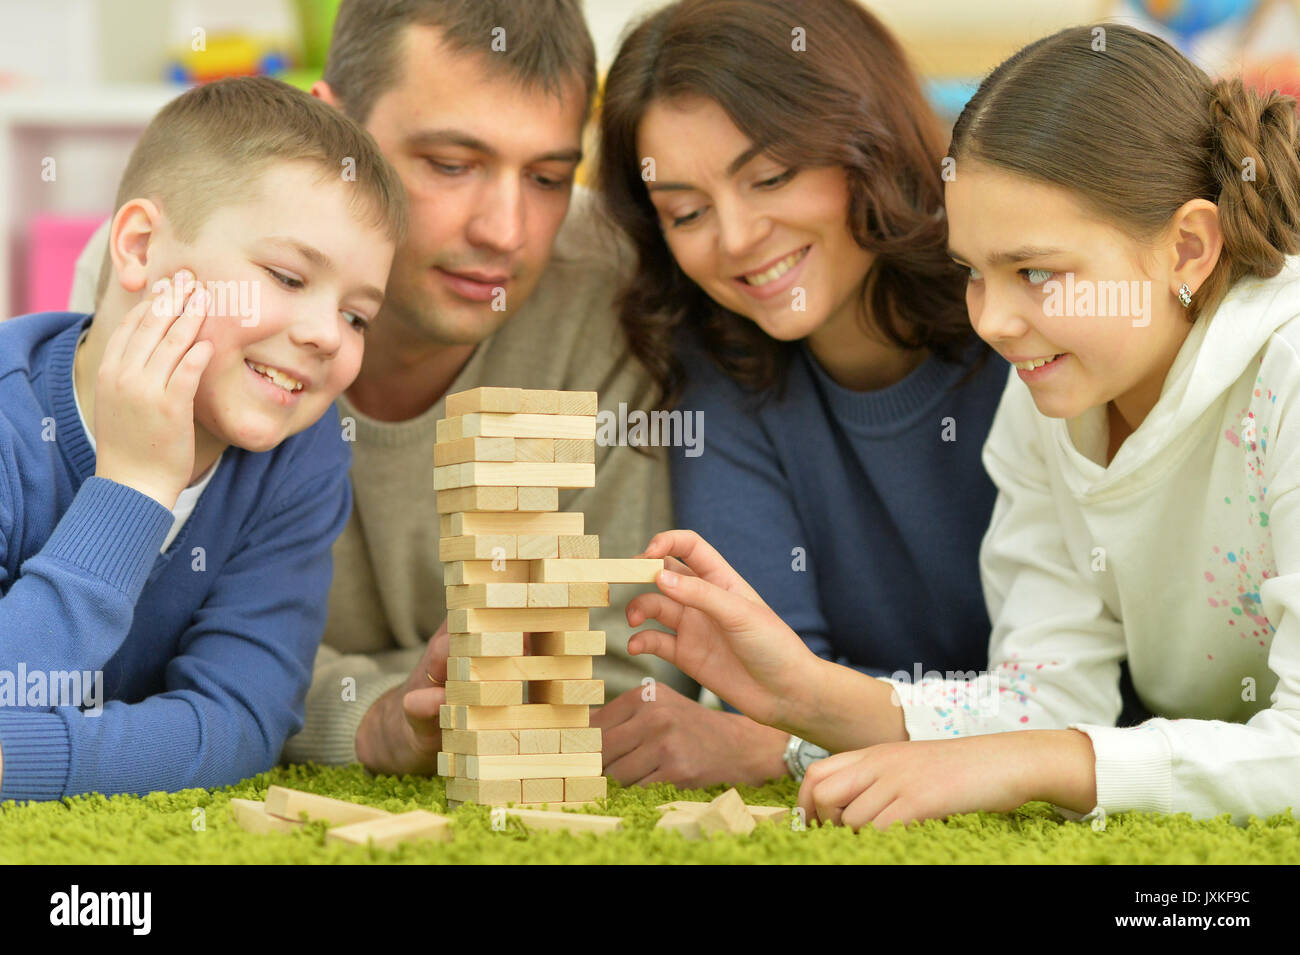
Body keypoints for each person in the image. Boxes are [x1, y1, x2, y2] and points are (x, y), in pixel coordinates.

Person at [623, 23, 1300, 829]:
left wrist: (1035, 760)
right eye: (975, 273)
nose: (993, 321)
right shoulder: (1057, 386)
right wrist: (801, 692)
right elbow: (1045, 695)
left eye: (1035, 272)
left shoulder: (1285, 374)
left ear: (1188, 247)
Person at [70, 0, 688, 778]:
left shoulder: (615, 291)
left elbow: (615, 673)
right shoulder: (169, 270)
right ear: (333, 131)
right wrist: (371, 711)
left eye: (548, 177)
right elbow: (132, 643)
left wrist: (383, 700)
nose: (506, 230)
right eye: (450, 164)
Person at [591, 0, 1015, 788]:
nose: (738, 237)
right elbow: (777, 687)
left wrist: (792, 744)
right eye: (686, 211)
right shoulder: (719, 371)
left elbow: (1077, 697)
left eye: (772, 176)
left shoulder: (1022, 329)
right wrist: (793, 731)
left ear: (869, 140)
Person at [0, 76, 404, 800]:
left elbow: (241, 723)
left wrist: (25, 759)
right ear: (140, 246)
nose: (323, 333)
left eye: (357, 317)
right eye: (286, 276)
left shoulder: (298, 456)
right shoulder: (9, 424)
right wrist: (132, 491)